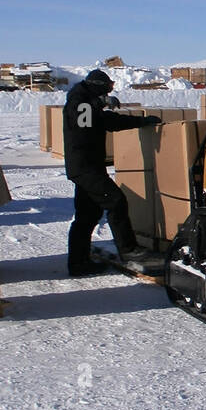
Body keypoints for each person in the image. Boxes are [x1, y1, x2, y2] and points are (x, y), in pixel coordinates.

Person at [64, 70, 163, 276]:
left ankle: (78, 263)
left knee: (87, 216)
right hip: (85, 168)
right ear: (97, 86)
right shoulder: (78, 101)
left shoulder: (86, 101)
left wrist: (140, 121)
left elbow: (109, 122)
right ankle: (128, 249)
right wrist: (100, 103)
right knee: (115, 201)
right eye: (106, 88)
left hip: (88, 166)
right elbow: (85, 121)